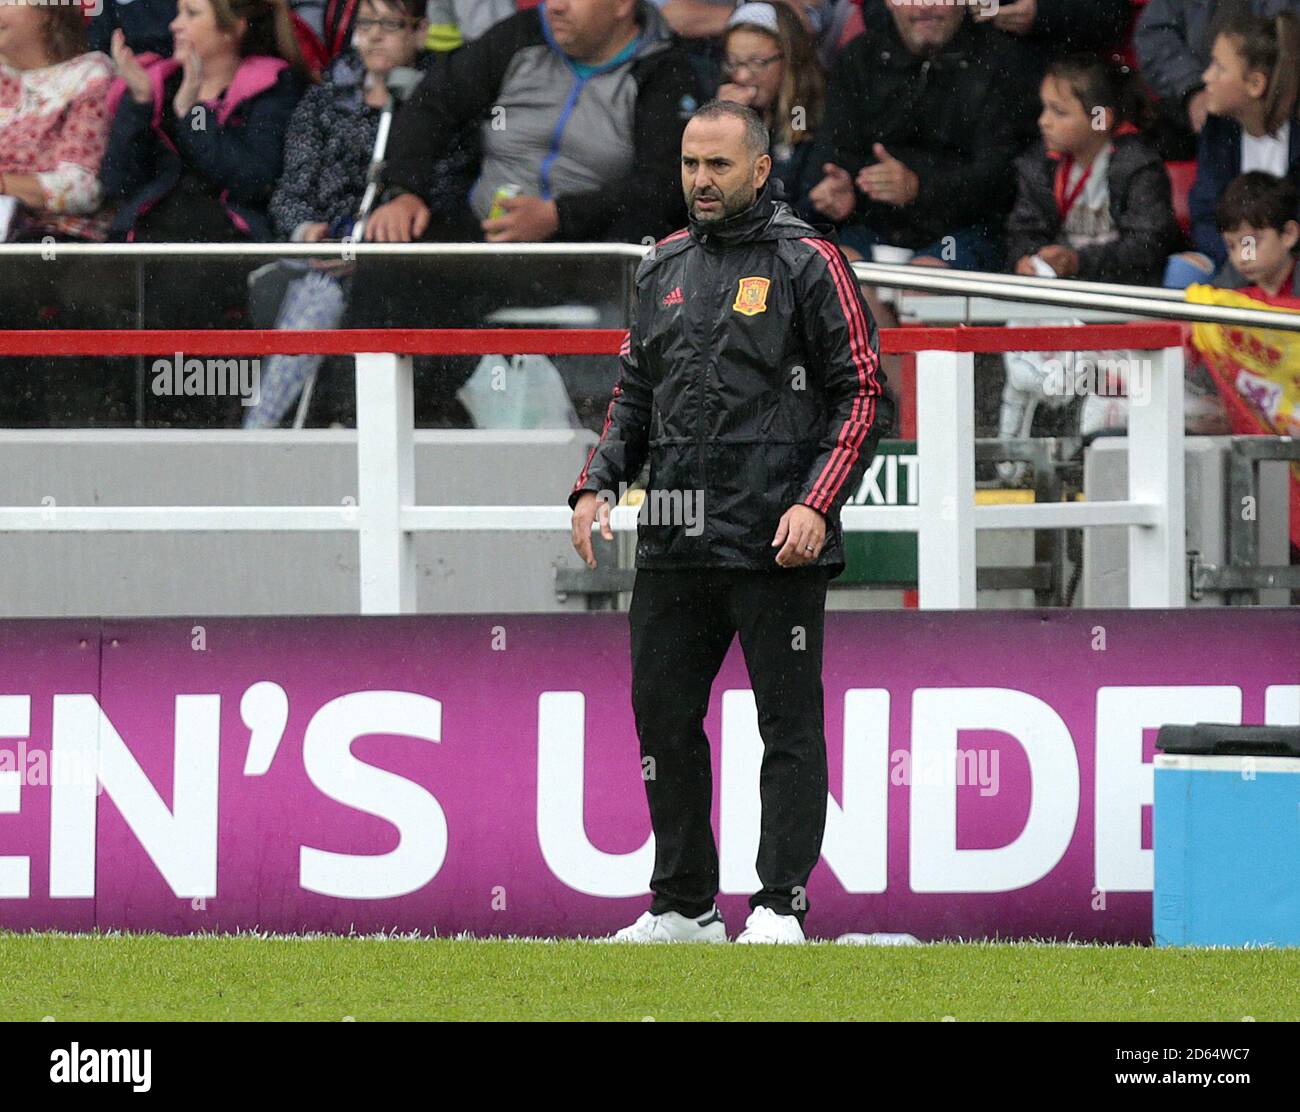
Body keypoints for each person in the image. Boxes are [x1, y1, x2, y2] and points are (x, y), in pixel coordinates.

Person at [568, 100, 894, 944]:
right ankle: (683, 904)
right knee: (661, 718)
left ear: (759, 168)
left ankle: (780, 901)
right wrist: (595, 484)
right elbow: (632, 397)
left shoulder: (810, 261)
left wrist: (817, 502)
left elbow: (863, 394)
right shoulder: (660, 265)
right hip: (674, 538)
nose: (699, 182)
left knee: (786, 724)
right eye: (688, 165)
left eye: (717, 166)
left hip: (774, 542)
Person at [248, 0, 475, 427]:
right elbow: (290, 190)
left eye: (389, 24)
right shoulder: (322, 102)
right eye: (366, 22)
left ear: (421, 30)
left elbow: (446, 186)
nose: (373, 35)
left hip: (398, 261)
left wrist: (371, 237)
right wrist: (308, 231)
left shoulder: (443, 103)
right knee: (318, 292)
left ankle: (314, 424)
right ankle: (271, 430)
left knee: (330, 298)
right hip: (319, 256)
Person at [366, 0, 697, 245]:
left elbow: (664, 183)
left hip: (594, 249)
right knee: (390, 244)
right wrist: (404, 191)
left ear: (623, 4)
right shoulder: (521, 36)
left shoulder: (664, 72)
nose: (555, 7)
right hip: (484, 233)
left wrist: (558, 217)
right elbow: (433, 102)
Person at [998, 55, 1189, 471]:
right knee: (1018, 359)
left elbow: (1148, 246)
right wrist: (1026, 260)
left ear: (1101, 118)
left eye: (1059, 111)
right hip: (1057, 304)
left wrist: (1078, 261)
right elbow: (1021, 231)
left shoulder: (1138, 166)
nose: (1044, 121)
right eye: (1044, 108)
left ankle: (1084, 466)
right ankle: (1010, 465)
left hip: (1121, 309)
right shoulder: (1040, 167)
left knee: (1094, 391)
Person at [807, 0, 1030, 273]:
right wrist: (841, 189)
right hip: (872, 225)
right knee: (838, 275)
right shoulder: (858, 58)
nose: (924, 6)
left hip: (965, 231)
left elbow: (1002, 178)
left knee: (923, 285)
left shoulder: (1001, 62)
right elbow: (832, 153)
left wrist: (919, 189)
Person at [1165, 9, 1300, 284]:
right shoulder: (1217, 130)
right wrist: (1242, 255)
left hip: (1292, 263)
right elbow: (1204, 215)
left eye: (1219, 67)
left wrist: (1270, 258)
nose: (1206, 77)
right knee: (1181, 273)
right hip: (1234, 261)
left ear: (1255, 84)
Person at [0, 1, 114, 242]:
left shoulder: (89, 75)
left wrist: (4, 184)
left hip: (54, 245)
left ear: (49, 14)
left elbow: (83, 189)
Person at [1135, 0, 1300, 154]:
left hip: (1281, 109)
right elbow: (1153, 33)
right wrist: (1192, 89)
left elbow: (1284, 46)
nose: (1207, 76)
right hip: (1196, 116)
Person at [715, 2, 824, 219]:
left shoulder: (803, 113)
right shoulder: (724, 108)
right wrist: (722, 129)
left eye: (757, 62)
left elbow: (794, 194)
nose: (743, 76)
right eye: (734, 62)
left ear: (789, 57)